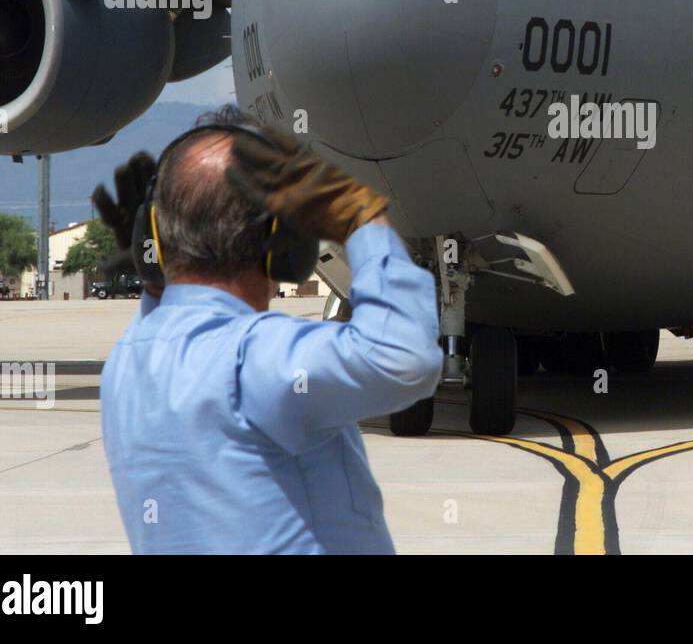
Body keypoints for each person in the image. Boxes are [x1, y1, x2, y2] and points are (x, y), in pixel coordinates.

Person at [96, 106, 441, 553]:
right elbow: (405, 357)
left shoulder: (127, 362)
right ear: (283, 238)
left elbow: (168, 332)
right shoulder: (254, 357)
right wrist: (360, 217)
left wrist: (154, 276)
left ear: (156, 238)